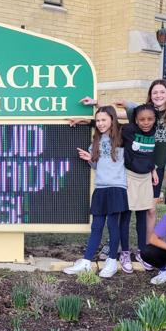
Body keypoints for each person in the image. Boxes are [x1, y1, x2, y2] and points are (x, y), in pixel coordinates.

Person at [83, 79, 166, 238]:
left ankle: (148, 245)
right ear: (150, 95)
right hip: (135, 165)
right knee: (124, 207)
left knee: (150, 208)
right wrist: (96, 104)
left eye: (162, 92)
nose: (158, 95)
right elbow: (113, 116)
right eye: (154, 92)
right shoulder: (141, 111)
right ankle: (115, 243)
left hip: (157, 166)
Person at [63, 106, 131, 277]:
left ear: (112, 120)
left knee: (112, 226)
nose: (100, 124)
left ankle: (111, 261)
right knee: (96, 226)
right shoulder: (95, 142)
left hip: (117, 188)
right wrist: (89, 159)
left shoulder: (123, 138)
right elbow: (97, 166)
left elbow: (134, 116)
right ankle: (86, 261)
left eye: (104, 120)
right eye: (98, 120)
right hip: (100, 189)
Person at [121, 104, 161, 271]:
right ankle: (124, 252)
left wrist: (153, 170)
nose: (146, 122)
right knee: (126, 214)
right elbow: (106, 124)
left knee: (142, 215)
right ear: (136, 119)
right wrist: (85, 121)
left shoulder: (155, 132)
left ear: (155, 120)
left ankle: (142, 251)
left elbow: (151, 154)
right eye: (142, 119)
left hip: (145, 178)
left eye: (150, 119)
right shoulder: (128, 130)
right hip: (129, 176)